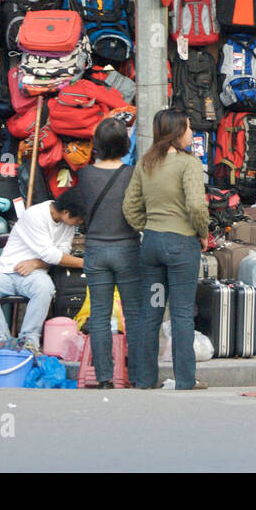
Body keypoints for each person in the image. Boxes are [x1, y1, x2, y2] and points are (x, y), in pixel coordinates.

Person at [122, 107, 211, 390]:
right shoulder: (188, 164)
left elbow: (129, 207)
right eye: (188, 128)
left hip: (152, 247)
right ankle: (185, 379)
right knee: (183, 314)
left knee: (152, 311)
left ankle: (145, 379)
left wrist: (147, 226)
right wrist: (203, 233)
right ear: (176, 132)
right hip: (181, 247)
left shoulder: (145, 163)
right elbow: (197, 205)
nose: (191, 133)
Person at [0, 190, 86, 354]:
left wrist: (35, 263)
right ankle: (2, 341)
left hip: (35, 273)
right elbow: (52, 255)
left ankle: (28, 341)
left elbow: (62, 253)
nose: (80, 222)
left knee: (44, 288)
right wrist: (84, 263)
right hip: (7, 270)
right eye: (79, 218)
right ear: (66, 212)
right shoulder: (34, 215)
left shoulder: (67, 224)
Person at [75, 117, 142, 390]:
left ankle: (104, 377)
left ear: (97, 145)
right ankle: (137, 376)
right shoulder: (132, 174)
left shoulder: (85, 175)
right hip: (127, 248)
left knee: (100, 315)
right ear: (125, 144)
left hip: (95, 250)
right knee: (134, 314)